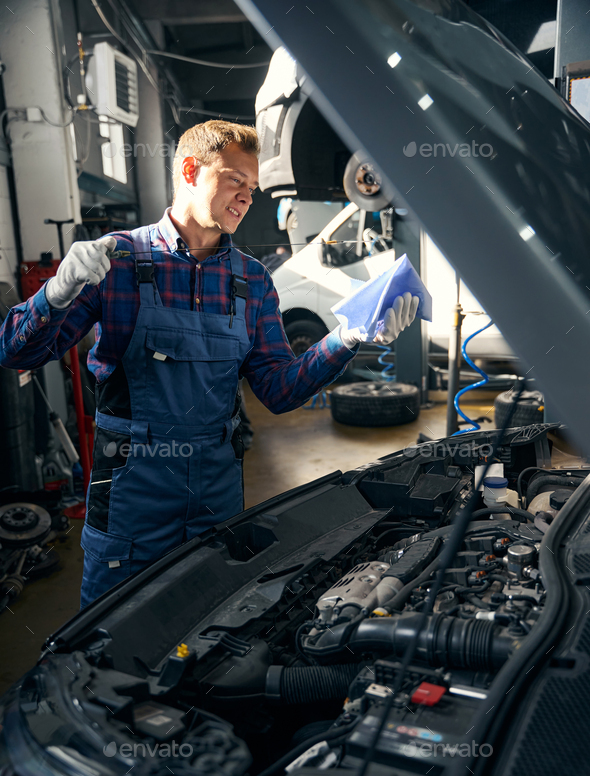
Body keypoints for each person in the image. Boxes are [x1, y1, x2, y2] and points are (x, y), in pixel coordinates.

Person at [0, 121, 419, 607]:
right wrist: (55, 292)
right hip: (134, 502)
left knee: (209, 634)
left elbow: (279, 391)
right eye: (235, 181)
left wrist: (346, 338)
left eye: (253, 188)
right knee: (112, 637)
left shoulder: (253, 281)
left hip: (217, 503)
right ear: (189, 170)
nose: (246, 198)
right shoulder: (115, 260)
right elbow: (16, 353)